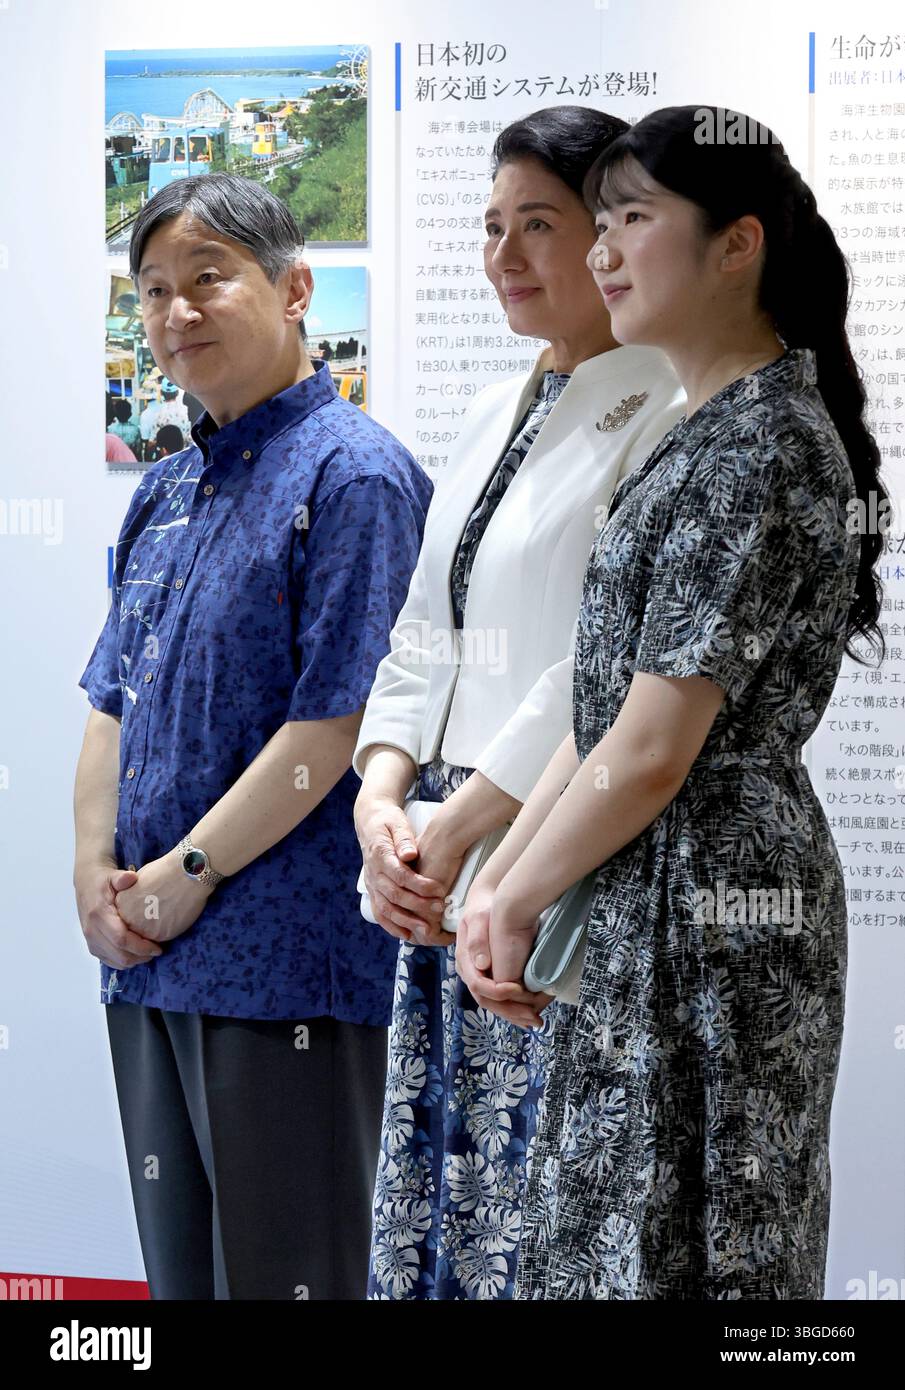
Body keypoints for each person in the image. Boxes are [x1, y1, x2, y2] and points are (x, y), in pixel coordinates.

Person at [456, 104, 888, 1300]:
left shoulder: (761, 441)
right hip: (648, 879)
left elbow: (650, 749)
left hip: (716, 899)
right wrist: (501, 883)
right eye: (596, 222)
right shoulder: (694, 428)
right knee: (617, 1234)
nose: (601, 251)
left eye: (630, 219)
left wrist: (511, 893)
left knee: (704, 1240)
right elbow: (607, 718)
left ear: (735, 242)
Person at [73, 172, 433, 1300]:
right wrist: (93, 871)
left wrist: (188, 872)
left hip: (286, 963)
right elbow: (109, 697)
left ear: (293, 288)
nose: (178, 313)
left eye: (208, 279)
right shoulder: (165, 490)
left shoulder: (355, 473)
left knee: (292, 1277)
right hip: (148, 952)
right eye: (155, 291)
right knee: (179, 1275)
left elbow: (335, 722)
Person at [352, 106, 685, 1300]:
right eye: (491, 225)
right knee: (446, 1203)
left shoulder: (666, 406)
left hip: (549, 854)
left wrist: (454, 831)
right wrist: (381, 802)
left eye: (536, 224)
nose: (504, 253)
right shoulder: (493, 407)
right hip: (440, 854)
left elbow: (592, 670)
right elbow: (423, 633)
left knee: (543, 1211)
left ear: (608, 240)